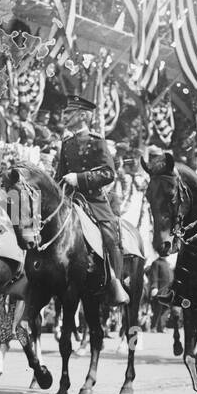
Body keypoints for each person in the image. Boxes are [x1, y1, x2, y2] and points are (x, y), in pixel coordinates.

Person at [55, 94, 129, 304]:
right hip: (68, 199)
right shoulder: (66, 143)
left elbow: (108, 173)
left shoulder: (98, 142)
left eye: (69, 113)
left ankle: (115, 281)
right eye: (66, 112)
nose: (65, 116)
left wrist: (80, 178)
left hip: (93, 201)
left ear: (83, 116)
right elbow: (58, 174)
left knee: (109, 235)